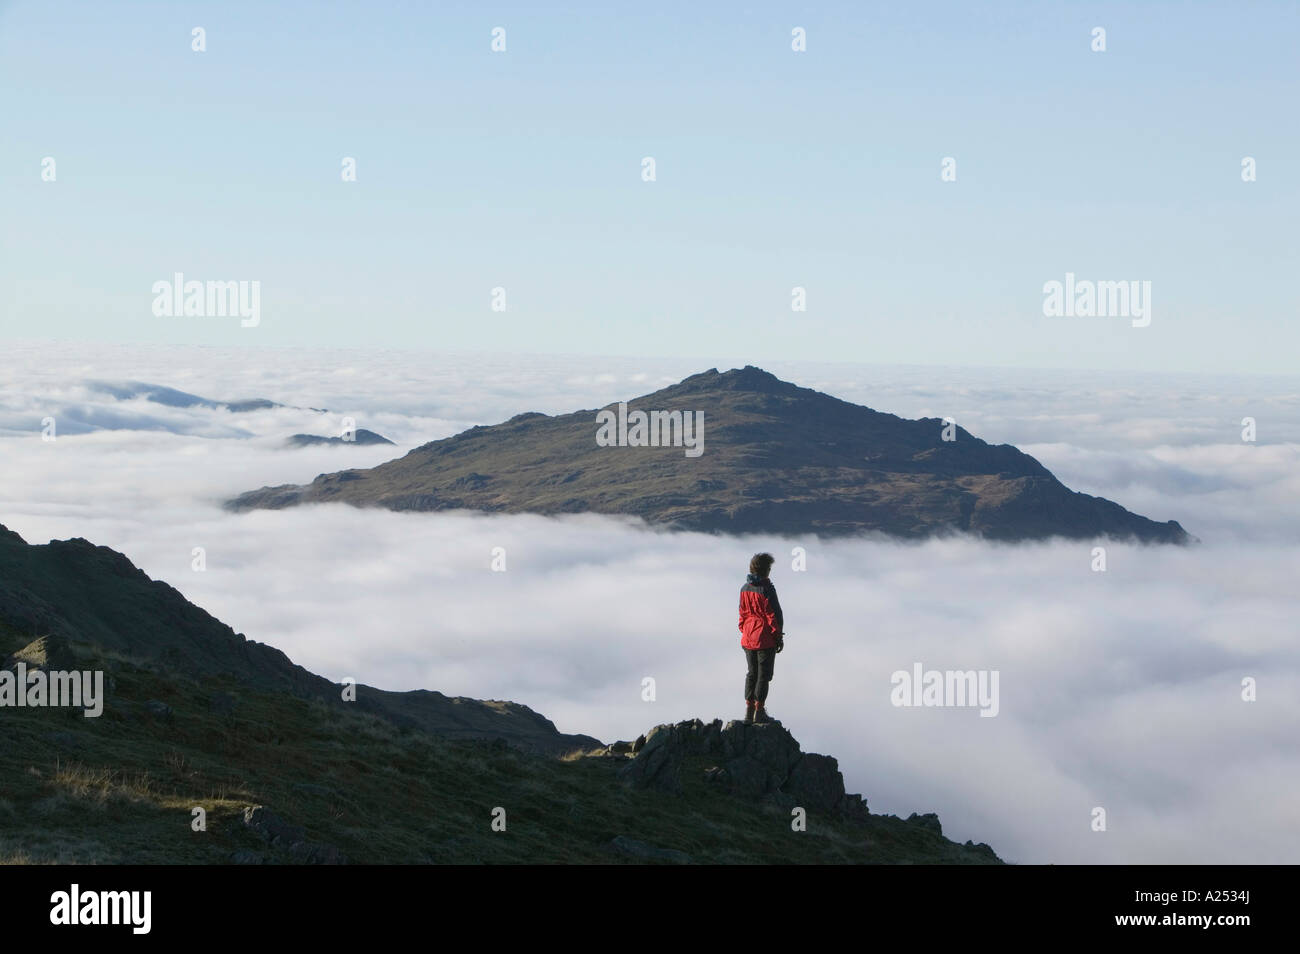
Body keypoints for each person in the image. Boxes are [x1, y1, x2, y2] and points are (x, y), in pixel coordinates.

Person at [737, 552, 784, 724]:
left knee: (752, 674)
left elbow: (742, 613)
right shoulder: (767, 589)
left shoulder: (744, 588)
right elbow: (774, 616)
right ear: (766, 570)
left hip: (748, 637)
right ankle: (759, 711)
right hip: (764, 639)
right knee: (764, 676)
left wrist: (745, 630)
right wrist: (778, 638)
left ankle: (748, 712)